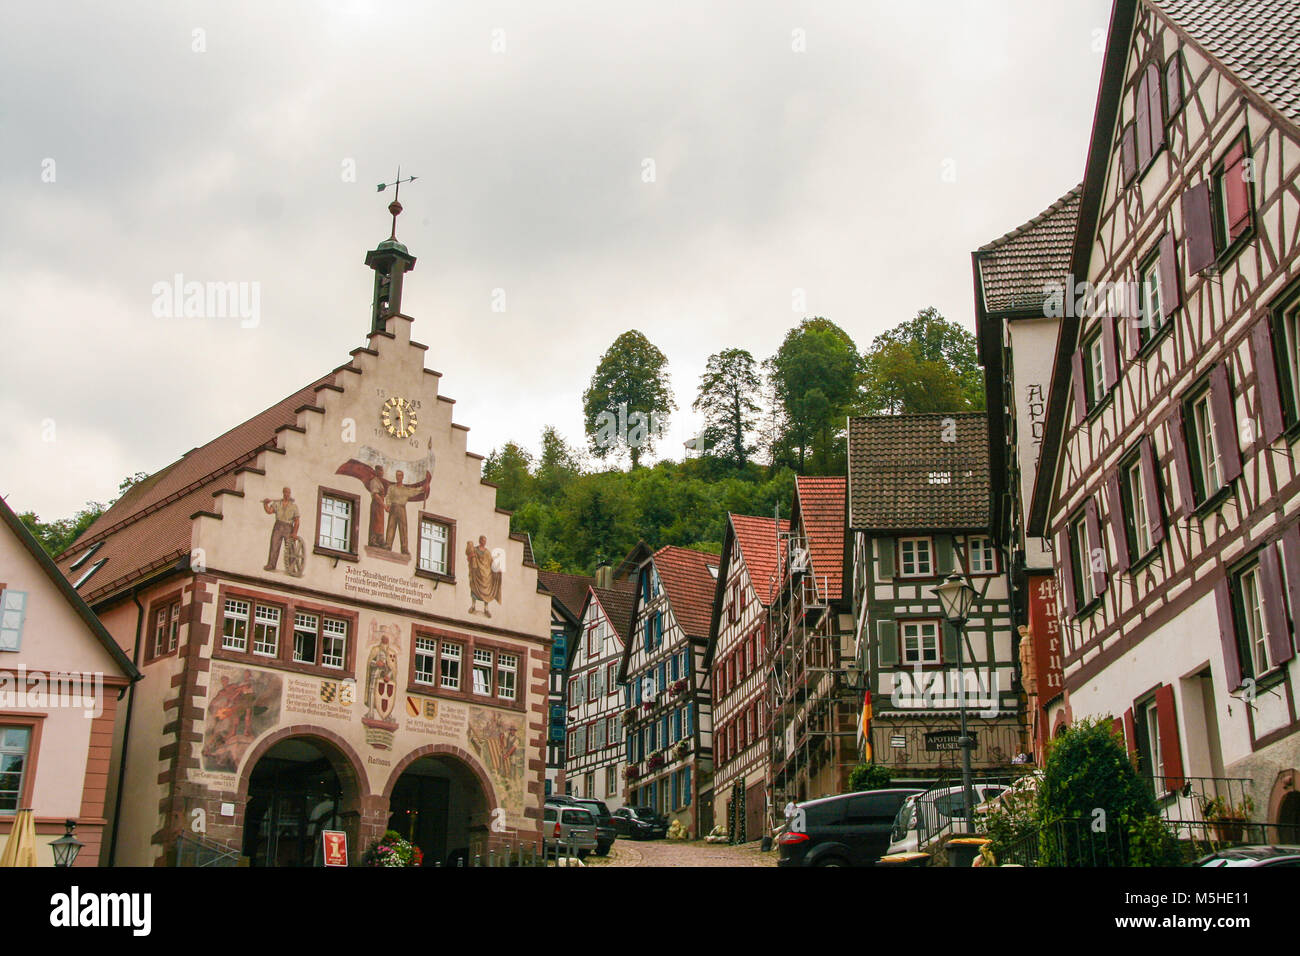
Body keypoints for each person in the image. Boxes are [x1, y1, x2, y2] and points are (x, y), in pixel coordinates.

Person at [262, 487, 299, 571]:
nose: (287, 494)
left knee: (290, 548)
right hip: (278, 526)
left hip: (288, 527)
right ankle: (271, 565)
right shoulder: (277, 504)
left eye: (289, 493)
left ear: (290, 494)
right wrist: (265, 504)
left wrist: (294, 533)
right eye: (286, 492)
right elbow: (269, 511)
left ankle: (292, 568)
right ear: (283, 493)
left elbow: (297, 521)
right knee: (274, 545)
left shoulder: (294, 506)